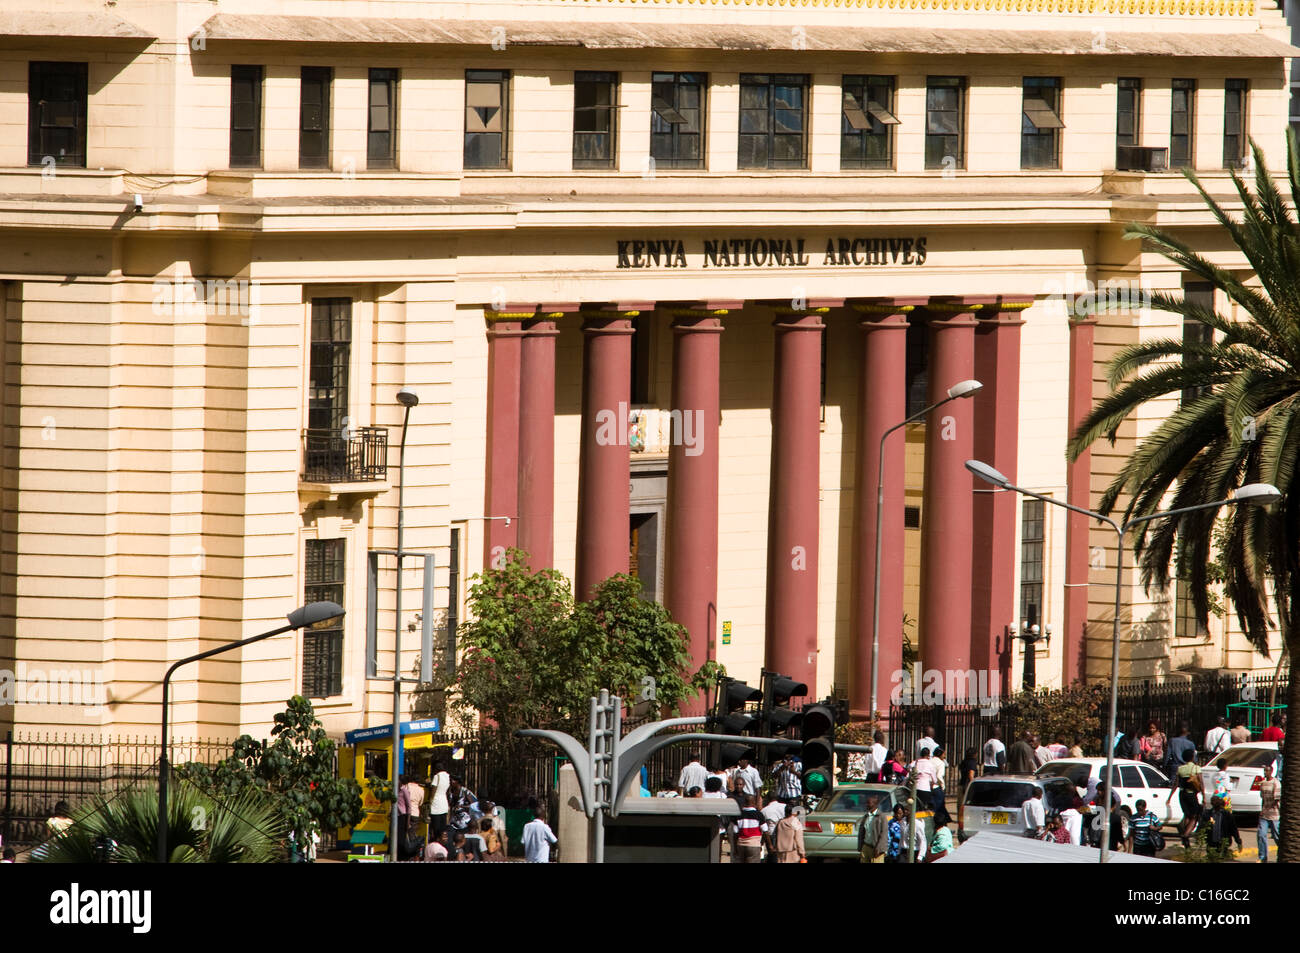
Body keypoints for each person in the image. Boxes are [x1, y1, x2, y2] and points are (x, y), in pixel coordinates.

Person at [730, 794, 769, 863]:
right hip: (753, 845)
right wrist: (763, 843)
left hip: (741, 845)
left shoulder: (738, 815)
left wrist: (735, 848)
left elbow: (735, 833)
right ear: (754, 802)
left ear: (745, 802)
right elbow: (765, 831)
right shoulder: (758, 814)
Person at [1176, 756, 1203, 848]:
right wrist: (1203, 795)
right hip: (1191, 794)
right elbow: (1201, 783)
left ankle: (1185, 838)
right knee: (1195, 816)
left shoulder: (1180, 769)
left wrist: (1170, 797)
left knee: (1187, 815)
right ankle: (1186, 834)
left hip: (1182, 794)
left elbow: (1176, 784)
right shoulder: (1196, 768)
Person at [1256, 761, 1281, 862]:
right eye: (1264, 770)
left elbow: (1276, 799)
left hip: (1274, 815)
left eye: (1267, 770)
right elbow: (1263, 799)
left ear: (1271, 771)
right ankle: (1263, 857)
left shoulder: (1276, 783)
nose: (1265, 772)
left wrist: (1269, 807)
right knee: (1261, 834)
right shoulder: (1263, 784)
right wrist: (1262, 810)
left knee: (1277, 836)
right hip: (1264, 815)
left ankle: (1282, 852)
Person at [859, 795, 890, 863]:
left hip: (876, 848)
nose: (867, 805)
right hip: (866, 846)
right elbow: (862, 832)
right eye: (866, 803)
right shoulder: (866, 816)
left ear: (875, 804)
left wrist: (879, 849)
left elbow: (884, 834)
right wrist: (861, 846)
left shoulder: (881, 817)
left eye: (869, 803)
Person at [427, 760, 450, 842]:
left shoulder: (437, 776)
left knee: (436, 827)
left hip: (436, 803)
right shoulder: (447, 776)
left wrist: (430, 801)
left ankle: (436, 841)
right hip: (444, 803)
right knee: (442, 826)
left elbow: (433, 790)